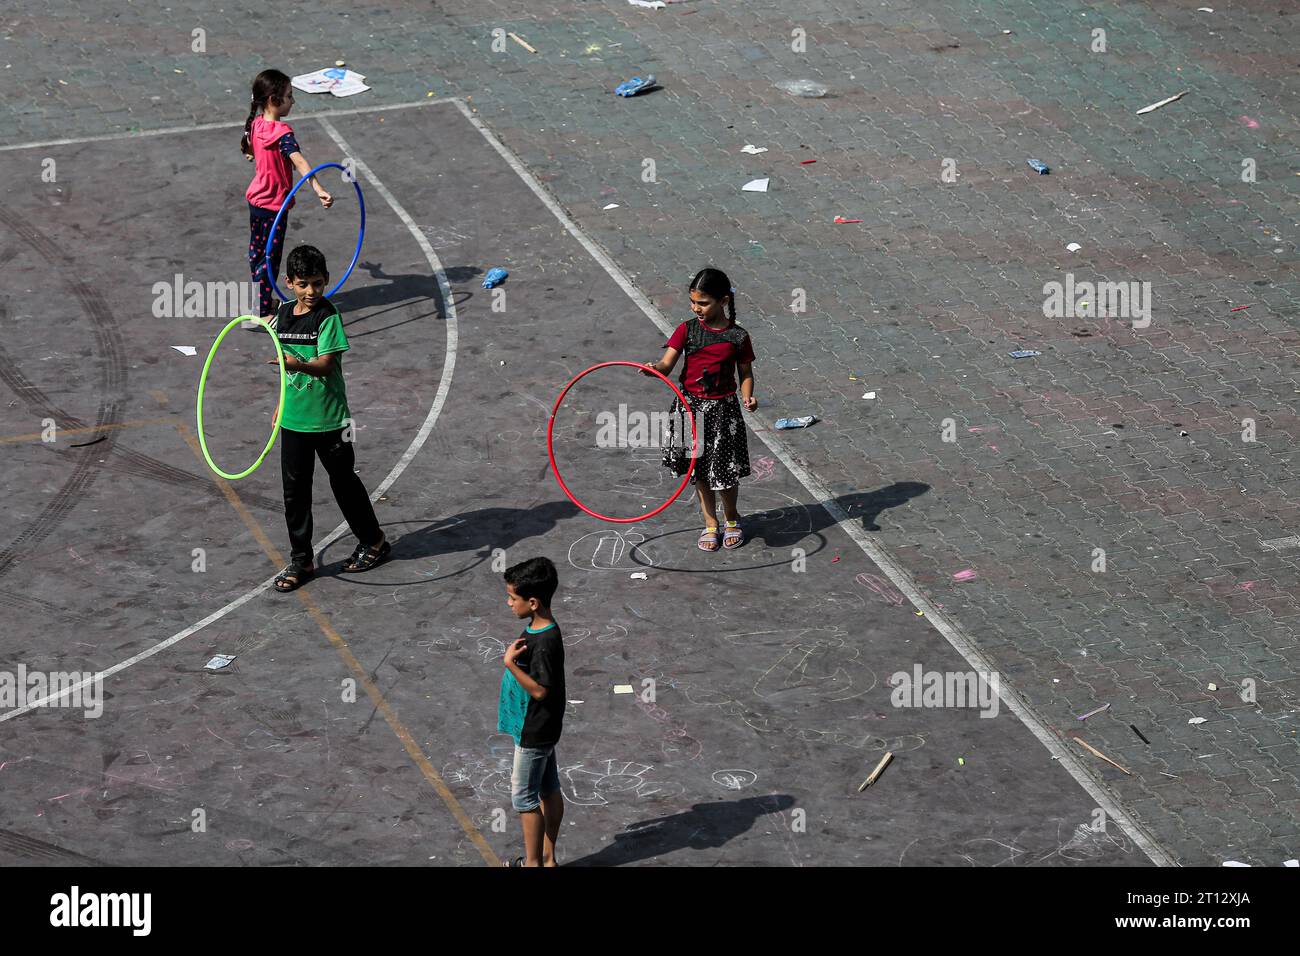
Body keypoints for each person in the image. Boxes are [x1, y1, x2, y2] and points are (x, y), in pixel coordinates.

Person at [267, 245, 389, 592]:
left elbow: (325, 364)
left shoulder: (328, 316)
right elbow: (281, 362)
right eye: (303, 284)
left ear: (327, 281)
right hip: (295, 420)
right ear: (289, 282)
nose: (311, 292)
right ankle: (301, 559)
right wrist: (281, 402)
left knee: (344, 483)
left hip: (331, 421)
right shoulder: (284, 313)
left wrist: (296, 366)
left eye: (318, 284)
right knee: (294, 492)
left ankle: (375, 541)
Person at [644, 267, 757, 551]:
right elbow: (667, 364)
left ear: (724, 302)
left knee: (725, 471)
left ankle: (732, 518)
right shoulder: (687, 330)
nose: (697, 308)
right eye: (693, 302)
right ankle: (710, 523)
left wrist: (748, 397)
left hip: (724, 411)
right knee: (700, 471)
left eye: (703, 303)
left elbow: (745, 372)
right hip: (689, 409)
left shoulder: (737, 337)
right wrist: (654, 369)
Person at [240, 69, 333, 318]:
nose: (293, 101)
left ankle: (261, 301)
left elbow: (249, 147)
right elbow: (300, 162)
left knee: (258, 254)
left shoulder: (258, 124)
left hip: (256, 201)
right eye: (289, 96)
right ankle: (262, 311)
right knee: (269, 258)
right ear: (274, 100)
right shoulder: (282, 135)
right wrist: (318, 188)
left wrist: (254, 154)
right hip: (273, 206)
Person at [497, 557, 566, 867]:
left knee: (525, 799)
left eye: (513, 597)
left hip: (533, 731)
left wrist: (509, 663)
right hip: (543, 728)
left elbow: (540, 690)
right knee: (548, 789)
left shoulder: (545, 642)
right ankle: (548, 859)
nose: (509, 602)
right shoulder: (541, 630)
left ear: (533, 602)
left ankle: (533, 863)